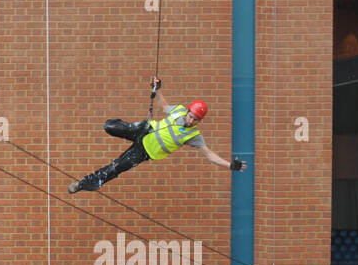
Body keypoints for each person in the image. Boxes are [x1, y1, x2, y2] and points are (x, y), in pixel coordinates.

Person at [68, 79, 246, 193]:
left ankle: (86, 183)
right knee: (110, 126)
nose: (192, 120)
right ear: (189, 111)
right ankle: (118, 127)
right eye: (191, 116)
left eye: (196, 119)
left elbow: (209, 155)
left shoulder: (194, 135)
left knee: (116, 167)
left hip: (145, 150)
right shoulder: (179, 111)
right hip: (144, 129)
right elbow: (164, 105)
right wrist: (157, 89)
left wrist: (230, 165)